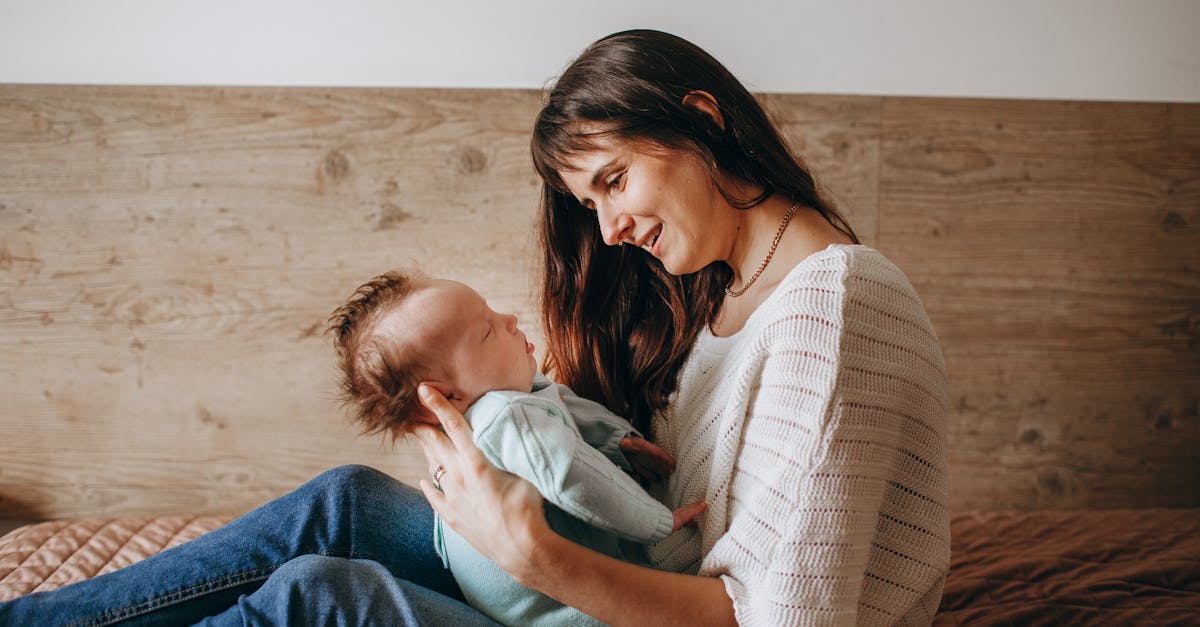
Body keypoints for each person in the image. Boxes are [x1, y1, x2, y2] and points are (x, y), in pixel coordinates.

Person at [1, 28, 948, 626]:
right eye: (592, 201)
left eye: (614, 180)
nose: (610, 228)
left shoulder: (833, 304)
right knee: (342, 505)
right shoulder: (728, 291)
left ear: (701, 120)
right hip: (627, 579)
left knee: (319, 595)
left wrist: (537, 556)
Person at [326, 269, 706, 626]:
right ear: (446, 394)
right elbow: (574, 476)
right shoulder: (504, 416)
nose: (510, 319)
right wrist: (656, 522)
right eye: (487, 332)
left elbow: (562, 407)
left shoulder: (488, 409)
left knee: (342, 500)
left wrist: (616, 442)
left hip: (503, 600)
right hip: (577, 612)